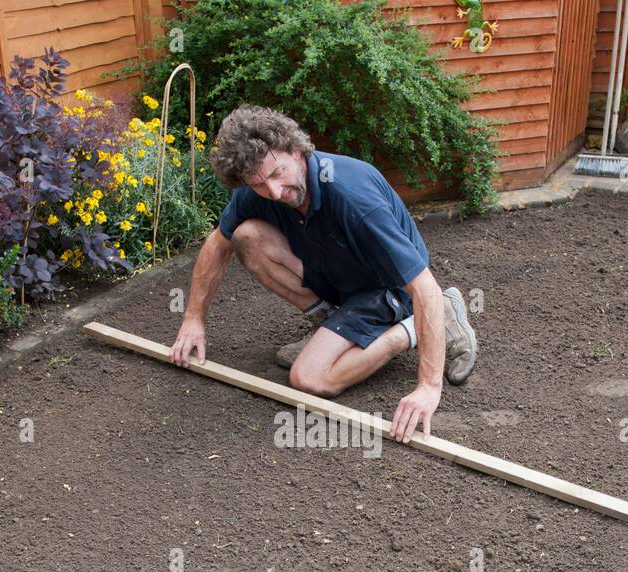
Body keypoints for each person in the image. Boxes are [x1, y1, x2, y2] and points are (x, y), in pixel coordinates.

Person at [168, 105, 478, 443]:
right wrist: (193, 318)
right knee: (247, 236)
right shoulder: (258, 188)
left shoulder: (352, 195)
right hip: (341, 280)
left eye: (277, 173)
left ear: (297, 150)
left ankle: (416, 327)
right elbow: (218, 245)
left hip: (388, 291)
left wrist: (428, 387)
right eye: (258, 184)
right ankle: (333, 325)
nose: (273, 193)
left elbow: (424, 288)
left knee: (310, 377)